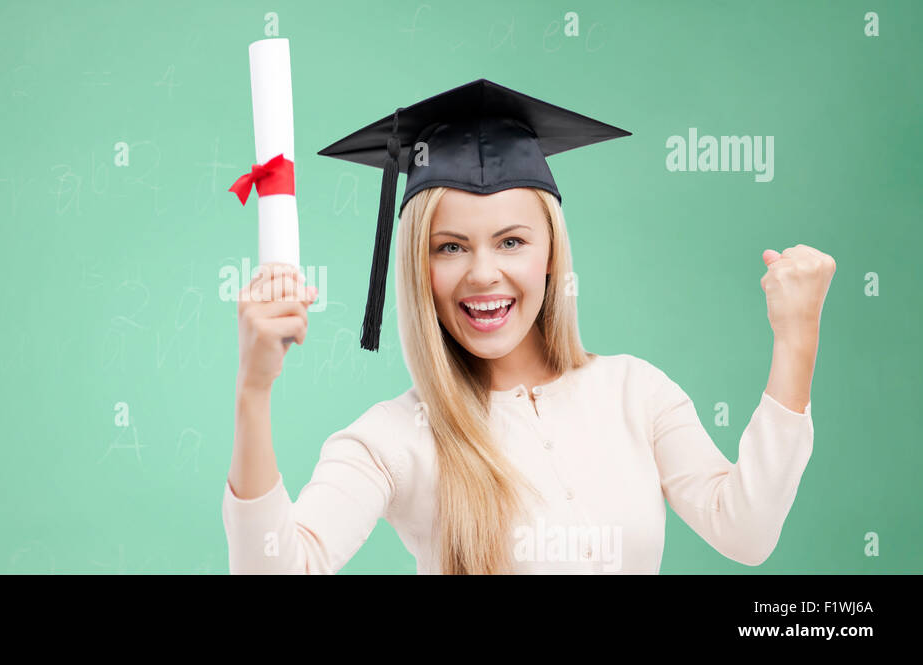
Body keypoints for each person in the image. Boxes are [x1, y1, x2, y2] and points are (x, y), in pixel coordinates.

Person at [223, 79, 834, 574]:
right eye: (449, 247)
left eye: (511, 241)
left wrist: (796, 338)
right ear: (416, 267)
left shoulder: (635, 393)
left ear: (550, 253)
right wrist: (253, 392)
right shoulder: (394, 439)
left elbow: (746, 532)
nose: (483, 274)